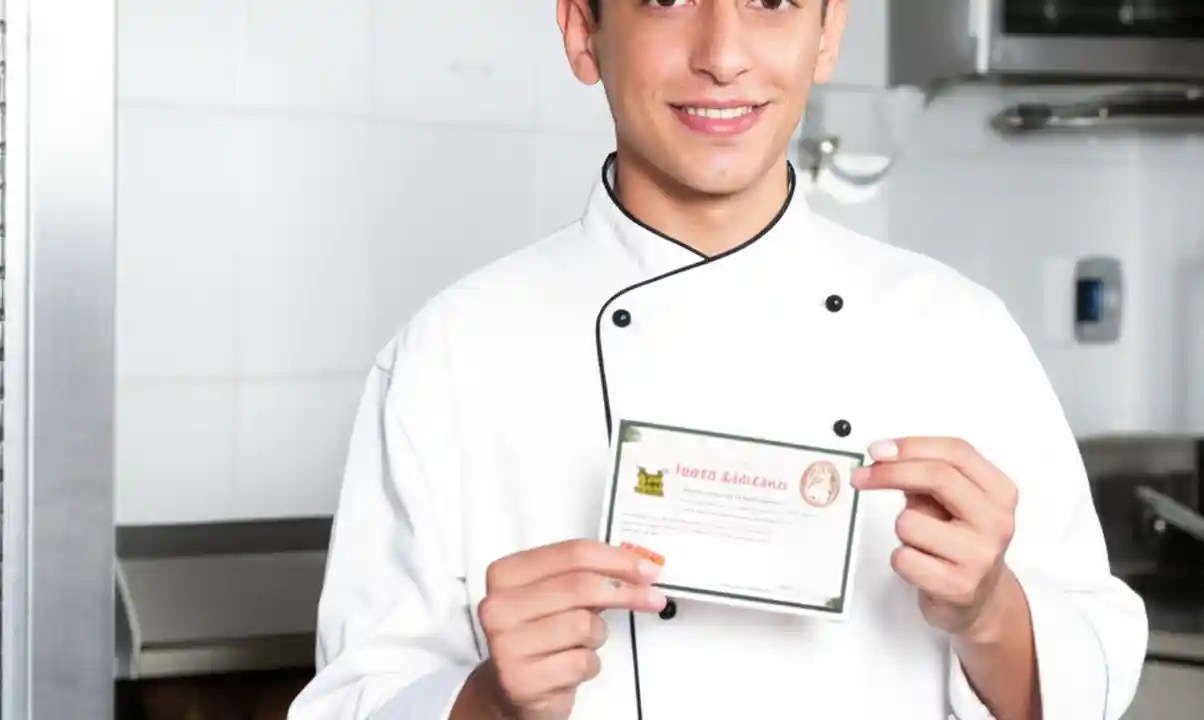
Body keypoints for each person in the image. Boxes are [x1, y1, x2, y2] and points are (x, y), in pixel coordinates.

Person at [288, 0, 1149, 718]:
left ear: (828, 32)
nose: (723, 56)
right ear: (583, 32)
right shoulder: (452, 355)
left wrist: (990, 611)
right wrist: (482, 702)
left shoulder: (956, 334)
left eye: (771, 1)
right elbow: (352, 700)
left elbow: (1095, 677)